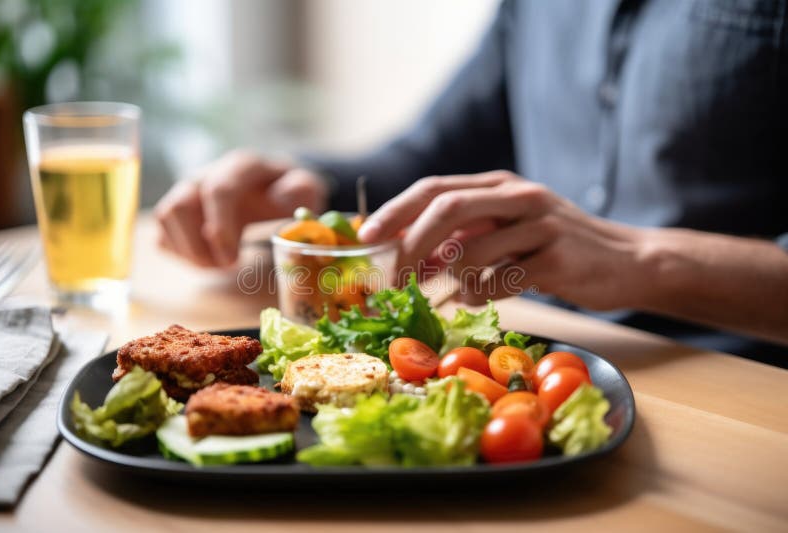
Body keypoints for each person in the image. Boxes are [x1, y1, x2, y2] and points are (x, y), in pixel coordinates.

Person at [155, 0, 788, 366]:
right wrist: (307, 188)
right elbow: (434, 157)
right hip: (530, 369)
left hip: (742, 386)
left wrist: (640, 259)